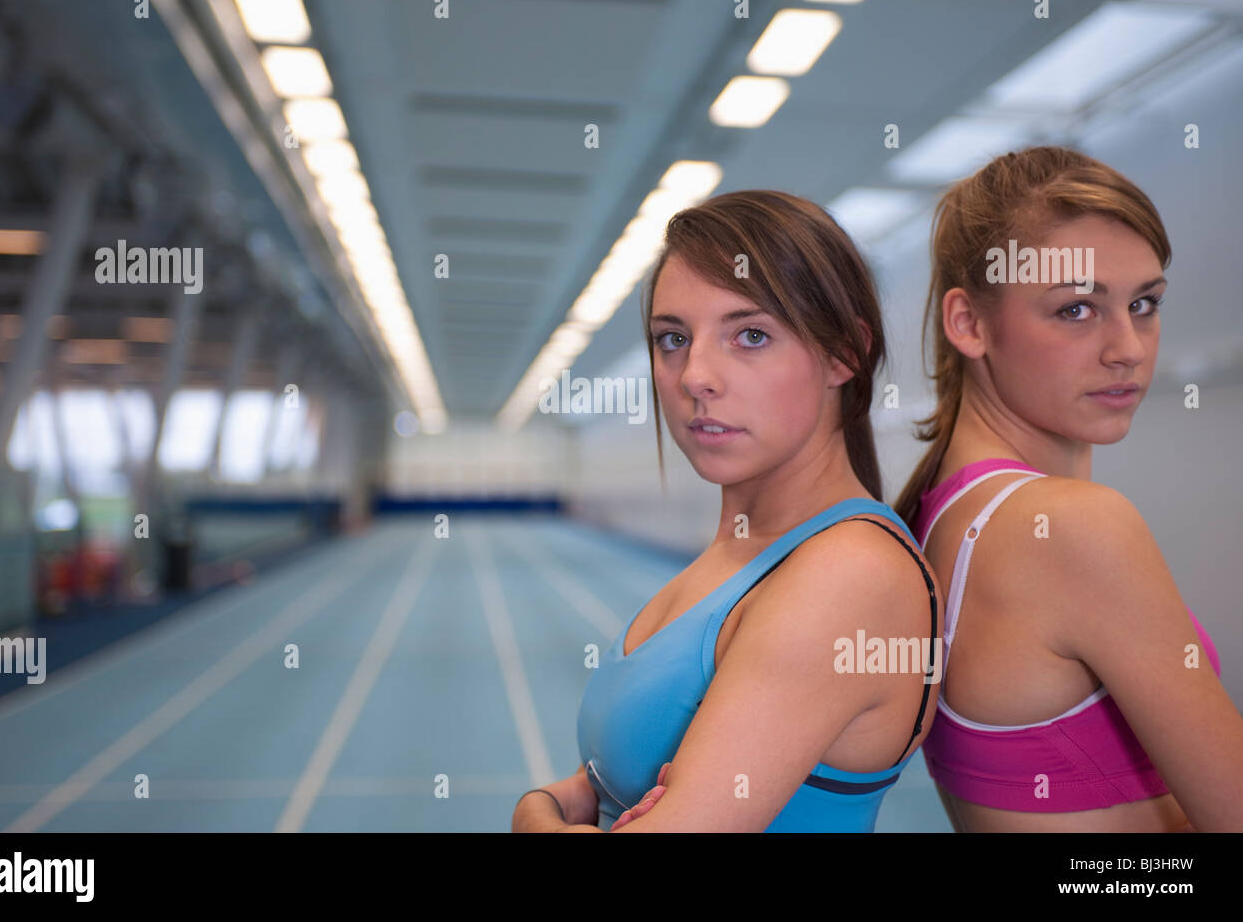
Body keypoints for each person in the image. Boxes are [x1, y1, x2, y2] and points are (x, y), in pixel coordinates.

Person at [511, 190, 943, 832]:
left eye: (749, 335)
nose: (694, 376)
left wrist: (532, 818)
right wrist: (548, 807)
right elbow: (594, 786)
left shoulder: (849, 576)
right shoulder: (738, 557)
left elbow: (577, 806)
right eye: (673, 339)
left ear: (843, 355)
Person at [892, 145, 1243, 831]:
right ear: (968, 323)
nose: (1130, 347)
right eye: (1077, 310)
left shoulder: (935, 513)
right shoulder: (1073, 526)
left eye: (1144, 303)